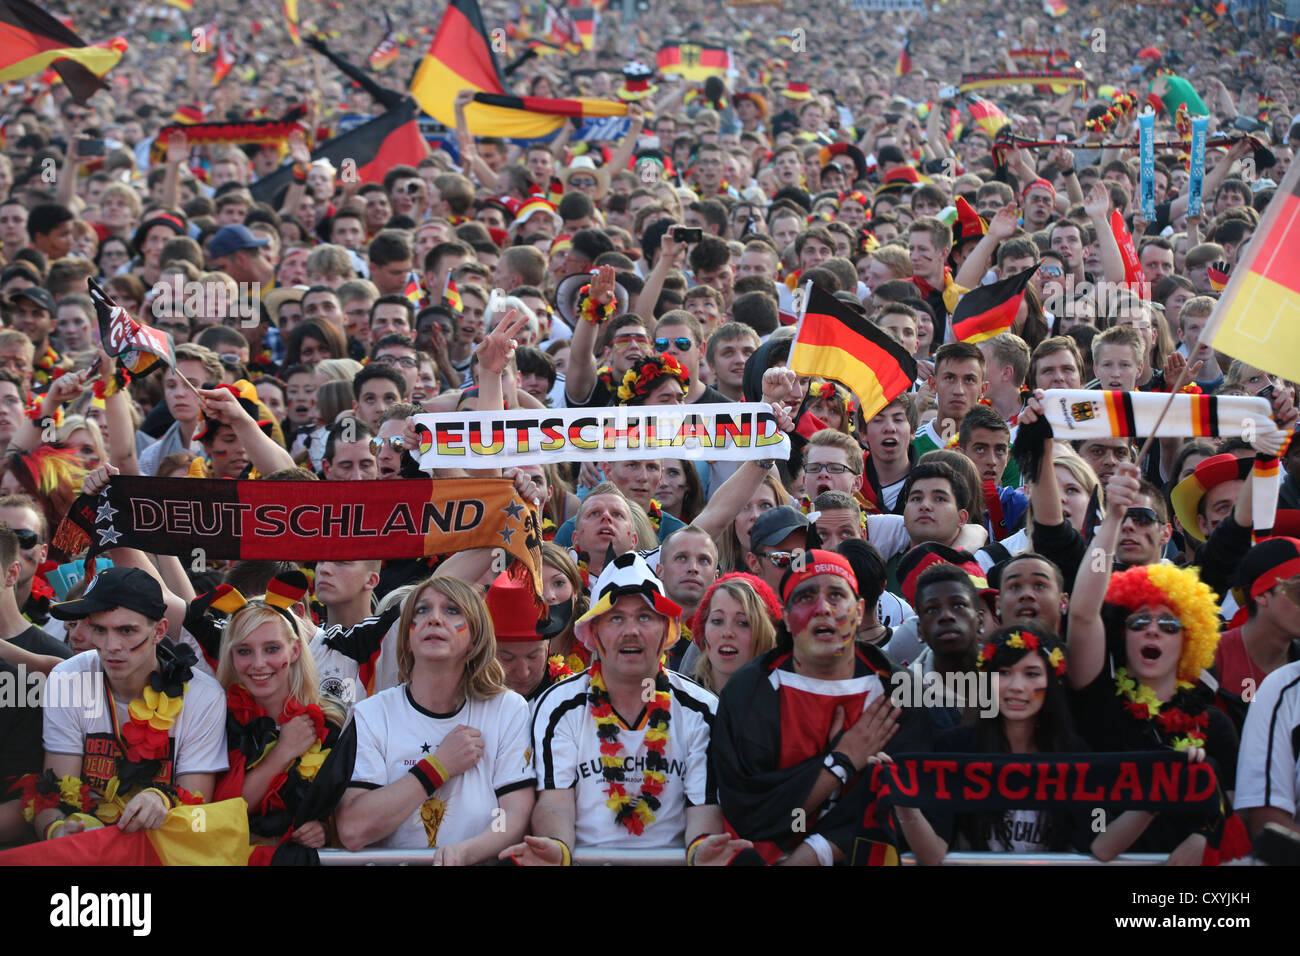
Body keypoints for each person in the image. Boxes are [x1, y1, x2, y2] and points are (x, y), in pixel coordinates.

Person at [508, 553, 747, 865]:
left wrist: (703, 849)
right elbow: (555, 803)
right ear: (594, 633)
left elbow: (703, 807)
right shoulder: (558, 706)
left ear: (667, 630)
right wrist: (556, 847)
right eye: (616, 618)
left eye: (645, 617)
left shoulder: (701, 709)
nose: (631, 630)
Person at [1067, 460, 1244, 863]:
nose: (1152, 630)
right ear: (1123, 634)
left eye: (1168, 623)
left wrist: (1203, 808)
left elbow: (1231, 824)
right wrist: (1111, 519)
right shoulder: (1101, 704)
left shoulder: (1213, 724)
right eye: (1138, 621)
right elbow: (1082, 614)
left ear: (1190, 639)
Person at [712, 549, 928, 864]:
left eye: (836, 595)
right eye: (806, 597)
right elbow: (752, 810)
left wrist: (815, 853)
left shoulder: (899, 691)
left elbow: (901, 805)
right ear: (785, 616)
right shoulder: (748, 691)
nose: (822, 608)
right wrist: (841, 762)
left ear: (859, 610)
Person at [335, 577, 535, 864]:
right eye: (422, 610)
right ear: (407, 637)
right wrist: (437, 767)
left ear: (476, 637)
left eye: (452, 610)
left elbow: (513, 816)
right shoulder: (372, 715)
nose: (435, 619)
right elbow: (353, 830)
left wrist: (464, 853)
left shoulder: (507, 709)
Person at [28, 567, 228, 841]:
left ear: (159, 631)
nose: (112, 646)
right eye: (99, 629)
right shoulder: (68, 679)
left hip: (164, 844)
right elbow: (53, 794)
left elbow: (197, 808)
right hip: (88, 845)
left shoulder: (203, 696)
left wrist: (162, 801)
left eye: (126, 630)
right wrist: (59, 830)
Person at [892, 623, 1093, 861]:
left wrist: (1147, 804)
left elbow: (1099, 840)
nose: (1017, 687)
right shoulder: (955, 749)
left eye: (1031, 674)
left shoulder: (1074, 753)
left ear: (1051, 683)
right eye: (1004, 673)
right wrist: (903, 800)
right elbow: (934, 853)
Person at [213, 600, 351, 847]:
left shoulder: (332, 721)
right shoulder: (218, 720)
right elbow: (220, 812)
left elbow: (349, 809)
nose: (258, 663)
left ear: (295, 650)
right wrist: (282, 752)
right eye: (244, 651)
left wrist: (327, 830)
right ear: (231, 656)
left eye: (272, 649)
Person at [688, 572, 781, 694]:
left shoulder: (784, 704)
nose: (727, 633)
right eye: (717, 621)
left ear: (766, 634)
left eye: (743, 623)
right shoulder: (678, 703)